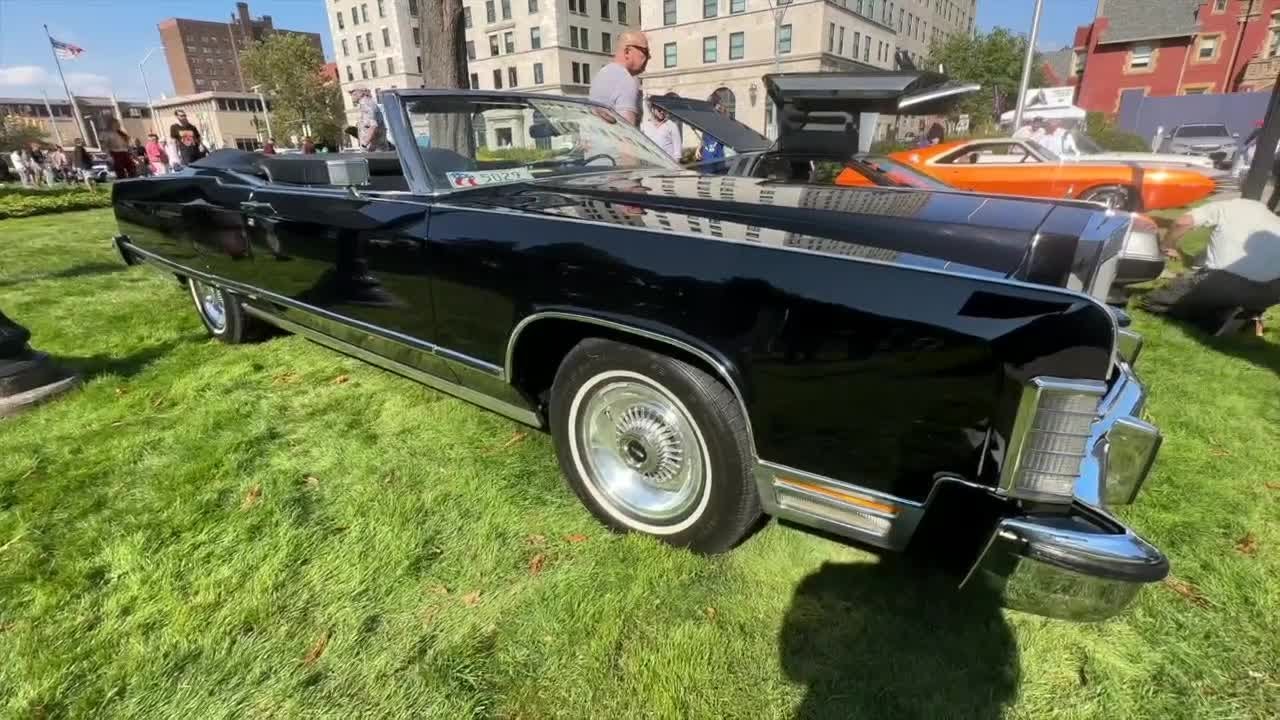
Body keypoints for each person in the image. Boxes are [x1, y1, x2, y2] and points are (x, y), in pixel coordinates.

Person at [1141, 198, 1280, 336]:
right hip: (1270, 292)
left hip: (1225, 282)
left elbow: (1183, 222)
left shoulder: (1228, 206)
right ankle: (1242, 315)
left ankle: (1215, 318)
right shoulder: (1273, 223)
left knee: (1154, 301)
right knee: (1223, 296)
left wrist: (1166, 247)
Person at [588, 30, 649, 125]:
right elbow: (627, 132)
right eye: (645, 51)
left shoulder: (601, 73)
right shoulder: (626, 80)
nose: (649, 56)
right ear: (627, 52)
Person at [694, 93, 728, 167]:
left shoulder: (722, 122)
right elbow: (704, 138)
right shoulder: (707, 121)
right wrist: (699, 148)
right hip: (706, 158)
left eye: (712, 105)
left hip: (717, 159)